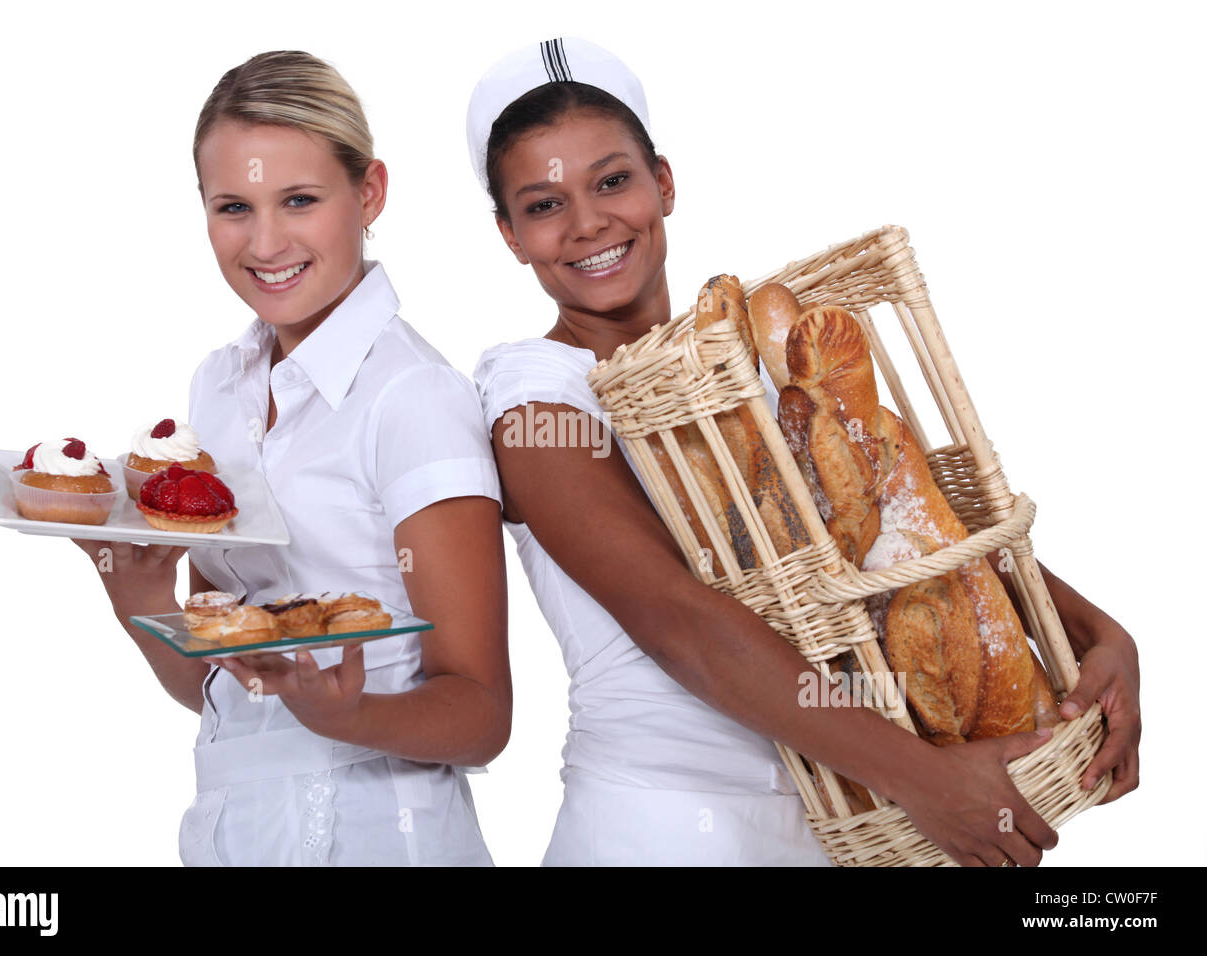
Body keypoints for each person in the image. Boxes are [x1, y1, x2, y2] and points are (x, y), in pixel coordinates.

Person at [466, 37, 1140, 866]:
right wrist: (922, 778)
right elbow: (674, 617)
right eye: (543, 205)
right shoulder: (538, 396)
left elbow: (903, 525)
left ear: (664, 183)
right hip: (662, 829)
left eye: (612, 181)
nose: (589, 222)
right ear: (509, 234)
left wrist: (1095, 633)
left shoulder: (755, 364)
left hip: (838, 825)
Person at [75, 50, 510, 866]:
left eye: (300, 201)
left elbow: (483, 714)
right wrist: (136, 601)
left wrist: (348, 716)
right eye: (234, 207)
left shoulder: (412, 398)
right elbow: (221, 687)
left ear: (369, 192)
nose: (266, 241)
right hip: (234, 833)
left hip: (388, 839)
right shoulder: (218, 387)